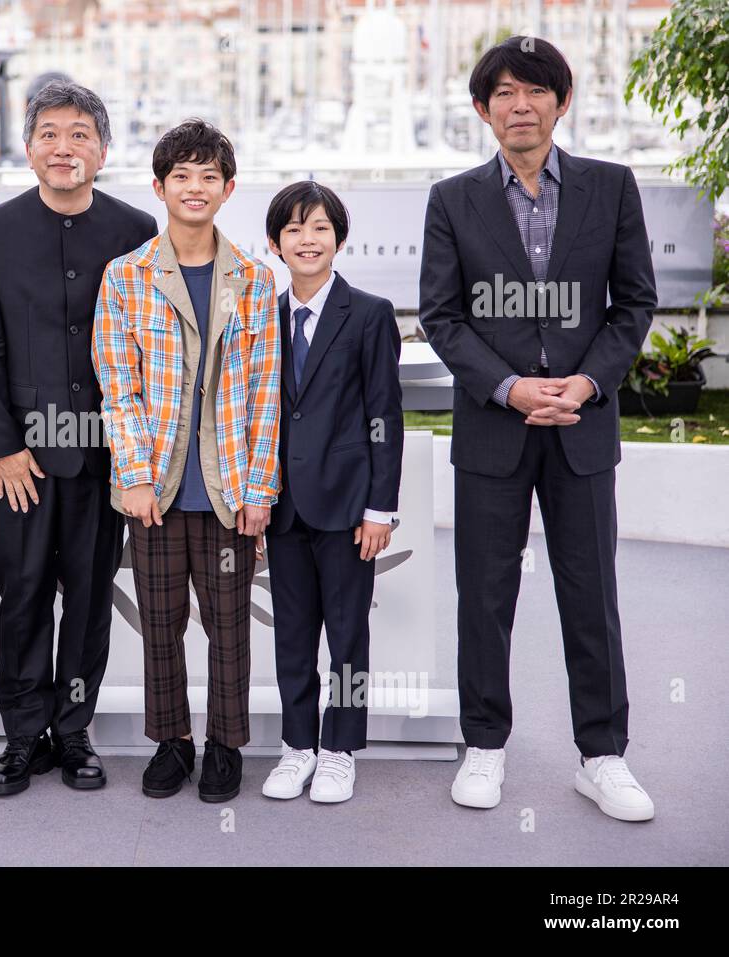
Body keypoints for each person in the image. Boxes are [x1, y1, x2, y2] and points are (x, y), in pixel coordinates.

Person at [419, 36, 657, 821]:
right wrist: (512, 387)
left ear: (562, 100)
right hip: (495, 426)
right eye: (505, 94)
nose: (521, 105)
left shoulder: (611, 186)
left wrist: (587, 383)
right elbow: (442, 317)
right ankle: (484, 743)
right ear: (484, 110)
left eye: (536, 91)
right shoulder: (452, 199)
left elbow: (633, 304)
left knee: (591, 594)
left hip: (583, 427)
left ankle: (604, 755)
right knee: (483, 593)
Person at [0, 81, 156, 795]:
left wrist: (136, 454)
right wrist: (3, 446)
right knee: (23, 591)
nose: (63, 146)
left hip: (106, 459)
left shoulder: (137, 230)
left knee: (90, 595)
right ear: (29, 145)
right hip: (22, 459)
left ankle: (73, 732)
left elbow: (148, 347)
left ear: (102, 149)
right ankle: (20, 737)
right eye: (49, 132)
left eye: (79, 134)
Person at [92, 118, 281, 803]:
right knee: (160, 623)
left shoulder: (255, 281)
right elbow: (120, 387)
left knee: (229, 628)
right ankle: (171, 742)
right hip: (157, 492)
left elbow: (266, 393)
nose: (195, 188)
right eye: (182, 177)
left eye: (209, 177)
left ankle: (224, 744)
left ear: (228, 189)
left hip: (231, 490)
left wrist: (259, 488)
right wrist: (135, 475)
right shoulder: (127, 278)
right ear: (159, 187)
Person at [259, 182, 403, 804]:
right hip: (281, 504)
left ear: (339, 239)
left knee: (346, 633)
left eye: (319, 228)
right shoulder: (263, 316)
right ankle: (298, 746)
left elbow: (384, 415)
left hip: (348, 509)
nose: (307, 240)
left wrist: (380, 508)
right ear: (275, 244)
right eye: (293, 230)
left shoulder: (369, 314)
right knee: (291, 633)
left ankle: (340, 749)